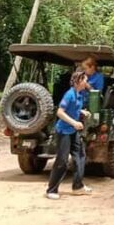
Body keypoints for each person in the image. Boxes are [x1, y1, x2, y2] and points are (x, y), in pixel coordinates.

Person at [46, 70, 93, 199]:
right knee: (62, 161)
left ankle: (78, 186)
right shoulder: (69, 94)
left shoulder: (80, 94)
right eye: (85, 80)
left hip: (72, 132)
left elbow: (74, 109)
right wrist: (74, 122)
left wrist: (82, 112)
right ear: (78, 81)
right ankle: (51, 190)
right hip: (63, 131)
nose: (87, 82)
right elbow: (60, 112)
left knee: (80, 156)